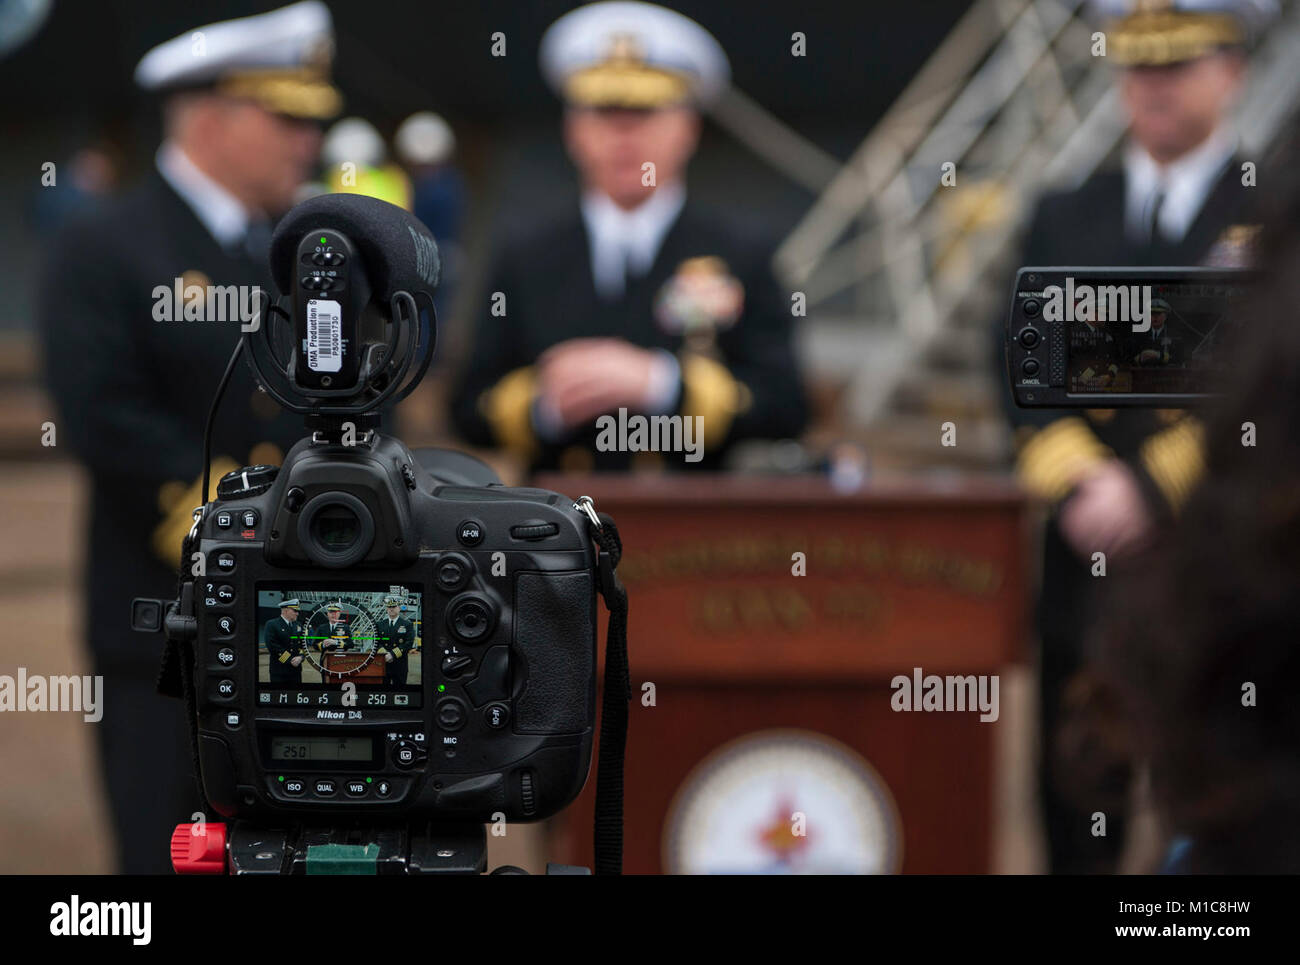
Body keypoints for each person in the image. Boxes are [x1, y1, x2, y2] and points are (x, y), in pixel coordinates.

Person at [36, 1, 342, 873]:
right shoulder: (104, 244)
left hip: (310, 631)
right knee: (170, 856)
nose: (306, 142)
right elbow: (100, 411)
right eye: (286, 118)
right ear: (209, 114)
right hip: (164, 634)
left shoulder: (306, 251)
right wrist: (233, 528)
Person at [999, 0, 1274, 873]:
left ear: (1231, 70)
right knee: (1081, 781)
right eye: (1137, 68)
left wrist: (1155, 486)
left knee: (1232, 788)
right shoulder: (1063, 214)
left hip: (1223, 549)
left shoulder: (1273, 210)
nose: (1153, 88)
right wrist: (1081, 481)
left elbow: (1273, 374)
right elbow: (1012, 357)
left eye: (1178, 65)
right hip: (1086, 550)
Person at [450, 0, 806, 474]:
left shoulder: (743, 251)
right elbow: (466, 409)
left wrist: (663, 385)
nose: (624, 133)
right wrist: (545, 403)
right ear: (572, 128)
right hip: (556, 533)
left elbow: (787, 405)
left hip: (692, 534)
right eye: (603, 110)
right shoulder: (525, 255)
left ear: (689, 128)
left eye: (646, 110)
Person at [376, 597, 416, 687]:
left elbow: (409, 643)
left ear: (399, 608)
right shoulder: (380, 624)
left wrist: (392, 654)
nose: (391, 609)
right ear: (386, 608)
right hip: (383, 664)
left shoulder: (407, 624)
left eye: (394, 606)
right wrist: (384, 653)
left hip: (400, 664)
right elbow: (376, 641)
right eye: (389, 607)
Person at [264, 600, 305, 685]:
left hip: (296, 671)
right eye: (295, 611)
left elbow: (303, 645)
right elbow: (272, 646)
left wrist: (301, 657)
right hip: (279, 671)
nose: (297, 614)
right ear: (286, 610)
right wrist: (290, 660)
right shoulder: (272, 624)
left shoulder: (298, 625)